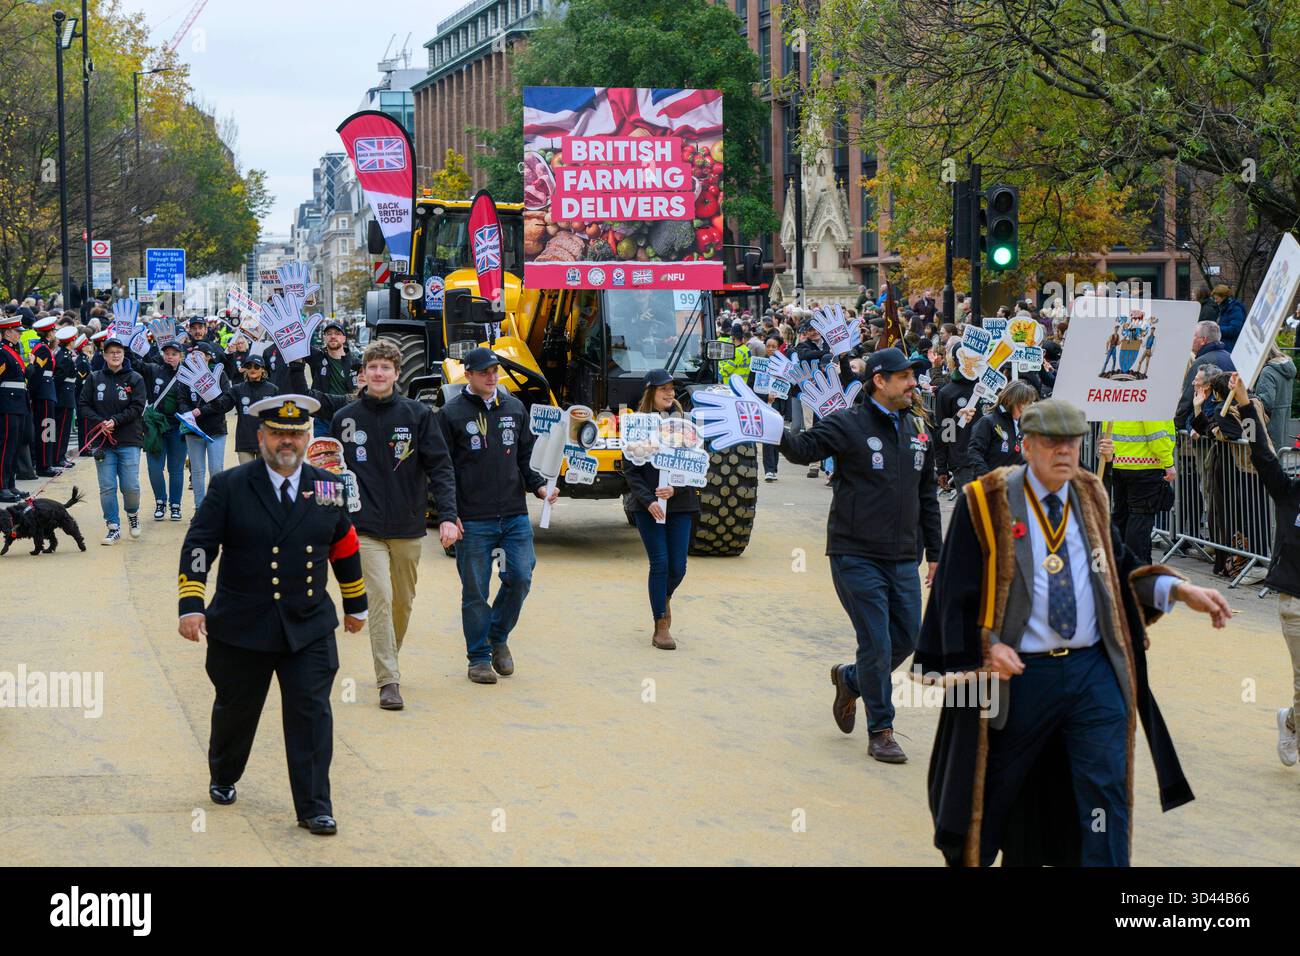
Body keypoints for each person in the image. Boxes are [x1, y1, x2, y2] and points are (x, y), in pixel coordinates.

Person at [915, 397, 1232, 866]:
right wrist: (988, 647)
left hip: (1092, 673)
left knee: (1105, 788)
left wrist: (1176, 589)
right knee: (992, 791)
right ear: (1027, 446)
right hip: (1018, 678)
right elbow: (955, 591)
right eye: (1052, 442)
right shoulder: (985, 501)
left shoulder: (1090, 492)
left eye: (1072, 441)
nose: (1064, 451)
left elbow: (1121, 567)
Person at [177, 394, 368, 836]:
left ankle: (315, 805)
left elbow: (344, 546)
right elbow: (200, 546)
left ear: (308, 438)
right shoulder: (229, 485)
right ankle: (224, 773)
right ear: (261, 436)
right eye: (279, 433)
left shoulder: (328, 486)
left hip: (308, 624)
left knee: (311, 712)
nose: (288, 442)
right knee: (237, 710)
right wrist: (191, 603)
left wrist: (354, 604)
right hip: (242, 624)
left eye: (297, 434)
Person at [778, 347, 942, 764]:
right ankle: (882, 730)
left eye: (914, 376)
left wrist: (936, 554)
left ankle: (850, 680)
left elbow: (928, 496)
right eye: (904, 377)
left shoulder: (918, 429)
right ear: (879, 381)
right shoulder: (847, 424)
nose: (913, 384)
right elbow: (800, 450)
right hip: (855, 553)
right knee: (877, 642)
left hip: (904, 555)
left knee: (907, 638)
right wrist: (770, 428)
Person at [330, 339, 460, 710]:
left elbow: (441, 467)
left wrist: (448, 516)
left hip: (407, 525)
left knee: (403, 602)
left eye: (386, 367)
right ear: (363, 372)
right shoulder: (346, 418)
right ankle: (389, 679)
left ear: (397, 374)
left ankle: (390, 656)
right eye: (372, 367)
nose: (378, 373)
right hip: (363, 527)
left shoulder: (418, 415)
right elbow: (333, 472)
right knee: (381, 597)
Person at [438, 348, 555, 684]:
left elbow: (525, 459)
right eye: (484, 372)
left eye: (495, 371)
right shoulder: (450, 414)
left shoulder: (515, 408)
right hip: (472, 520)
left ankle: (497, 635)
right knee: (475, 590)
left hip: (514, 516)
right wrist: (449, 513)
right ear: (469, 374)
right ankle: (478, 658)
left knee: (520, 577)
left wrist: (541, 488)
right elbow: (442, 469)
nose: (492, 377)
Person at [1231, 373, 1300, 767]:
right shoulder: (1289, 492)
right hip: (1296, 602)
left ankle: (1290, 722)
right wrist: (1244, 403)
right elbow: (1261, 451)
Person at [624, 369, 700, 650]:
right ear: (650, 393)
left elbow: (697, 467)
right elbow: (631, 471)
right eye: (662, 389)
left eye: (671, 389)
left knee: (678, 567)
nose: (669, 393)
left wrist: (676, 489)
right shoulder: (636, 425)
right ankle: (661, 625)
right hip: (649, 507)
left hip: (681, 504)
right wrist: (650, 500)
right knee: (660, 563)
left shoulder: (686, 424)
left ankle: (663, 597)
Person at [78, 337, 146, 545]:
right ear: (104, 355)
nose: (115, 355)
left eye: (119, 351)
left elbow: (137, 407)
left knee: (130, 486)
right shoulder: (94, 378)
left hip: (129, 440)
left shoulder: (135, 378)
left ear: (123, 354)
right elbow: (83, 404)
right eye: (111, 352)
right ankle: (113, 526)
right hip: (103, 443)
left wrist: (115, 421)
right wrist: (101, 423)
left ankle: (132, 515)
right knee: (107, 486)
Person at [1098, 419, 1176, 566]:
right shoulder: (1149, 398)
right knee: (1139, 521)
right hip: (1145, 464)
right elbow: (1156, 435)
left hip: (1118, 462)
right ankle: (1138, 570)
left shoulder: (1121, 397)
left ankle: (1119, 564)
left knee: (1123, 517)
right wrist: (1168, 462)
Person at [177, 341, 235, 508]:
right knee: (197, 471)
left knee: (216, 469)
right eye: (192, 355)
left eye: (200, 355)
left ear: (208, 357)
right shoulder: (186, 375)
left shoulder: (219, 373)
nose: (195, 358)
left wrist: (203, 410)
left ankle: (215, 507)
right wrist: (188, 413)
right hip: (193, 430)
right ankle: (199, 507)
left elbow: (225, 400)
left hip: (216, 429)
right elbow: (181, 399)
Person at [140, 337, 187, 521]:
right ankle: (160, 501)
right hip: (156, 428)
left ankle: (175, 505)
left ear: (180, 356)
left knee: (176, 469)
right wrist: (128, 340)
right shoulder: (154, 370)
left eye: (174, 354)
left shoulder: (187, 374)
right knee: (154, 468)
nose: (170, 357)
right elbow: (136, 364)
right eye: (167, 354)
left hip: (177, 427)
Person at [966, 380, 1037, 478]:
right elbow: (974, 452)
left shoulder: (1021, 426)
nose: (1028, 407)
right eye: (1026, 403)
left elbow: (1018, 458)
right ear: (1012, 401)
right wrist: (987, 478)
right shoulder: (988, 422)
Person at [1174, 321, 1235, 429]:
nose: (1190, 338)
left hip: (1205, 425)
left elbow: (1187, 398)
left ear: (1203, 340)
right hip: (1229, 422)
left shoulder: (1201, 362)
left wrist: (1177, 424)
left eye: (1193, 335)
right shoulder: (1232, 358)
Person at [309, 319, 360, 437]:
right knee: (323, 453)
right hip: (323, 418)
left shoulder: (356, 363)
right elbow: (299, 344)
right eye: (329, 334)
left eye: (337, 333)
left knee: (348, 453)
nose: (333, 336)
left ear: (344, 338)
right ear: (324, 338)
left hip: (348, 418)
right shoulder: (317, 358)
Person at [0, 314, 30, 502]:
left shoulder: (12, 351)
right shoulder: (2, 352)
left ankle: (10, 483)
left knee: (15, 445)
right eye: (17, 331)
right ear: (8, 332)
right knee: (6, 446)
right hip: (7, 403)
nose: (19, 335)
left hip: (18, 402)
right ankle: (2, 486)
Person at [230, 348, 279, 465]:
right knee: (247, 479)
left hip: (267, 442)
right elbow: (222, 406)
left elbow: (279, 416)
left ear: (263, 370)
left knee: (264, 480)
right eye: (249, 366)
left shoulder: (273, 389)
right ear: (245, 369)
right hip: (245, 441)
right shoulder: (237, 389)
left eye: (256, 367)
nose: (252, 369)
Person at [27, 316, 60, 476]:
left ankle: (47, 463)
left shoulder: (44, 348)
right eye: (53, 330)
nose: (54, 333)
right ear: (49, 333)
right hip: (43, 392)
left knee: (48, 428)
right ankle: (44, 465)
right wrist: (32, 393)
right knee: (46, 429)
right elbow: (37, 374)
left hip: (47, 390)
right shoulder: (42, 349)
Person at [1254, 345, 1297, 450]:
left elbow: (1266, 401)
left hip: (1270, 423)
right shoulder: (1286, 368)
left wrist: (1251, 399)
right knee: (1279, 456)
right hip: (1282, 420)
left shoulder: (1268, 371)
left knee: (1269, 457)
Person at [52, 325, 80, 468]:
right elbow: (59, 378)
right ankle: (58, 457)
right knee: (62, 429)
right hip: (63, 397)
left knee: (64, 429)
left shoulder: (65, 354)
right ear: (71, 341)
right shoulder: (64, 356)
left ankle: (60, 456)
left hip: (66, 395)